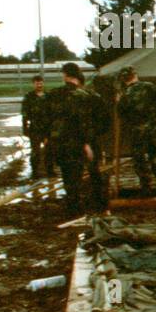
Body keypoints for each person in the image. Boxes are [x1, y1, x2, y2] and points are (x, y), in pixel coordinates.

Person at [47, 62, 106, 216]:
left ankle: (74, 209)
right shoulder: (91, 97)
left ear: (65, 75)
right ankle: (100, 206)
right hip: (88, 143)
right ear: (79, 76)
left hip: (63, 145)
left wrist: (50, 139)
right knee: (94, 174)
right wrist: (91, 140)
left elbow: (44, 121)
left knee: (69, 178)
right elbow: (104, 121)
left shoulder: (53, 95)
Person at [116, 66, 156, 197]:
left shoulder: (125, 94)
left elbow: (121, 113)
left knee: (139, 157)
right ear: (135, 75)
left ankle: (146, 186)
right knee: (155, 154)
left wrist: (119, 103)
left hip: (137, 129)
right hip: (153, 126)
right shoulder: (149, 86)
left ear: (123, 79)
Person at [21, 73, 54, 180]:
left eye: (40, 83)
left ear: (43, 83)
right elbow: (25, 114)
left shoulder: (48, 96)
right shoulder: (29, 97)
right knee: (35, 152)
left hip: (47, 128)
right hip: (35, 128)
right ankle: (35, 172)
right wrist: (25, 128)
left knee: (49, 151)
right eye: (37, 83)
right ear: (33, 84)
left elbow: (53, 112)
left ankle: (50, 171)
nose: (39, 85)